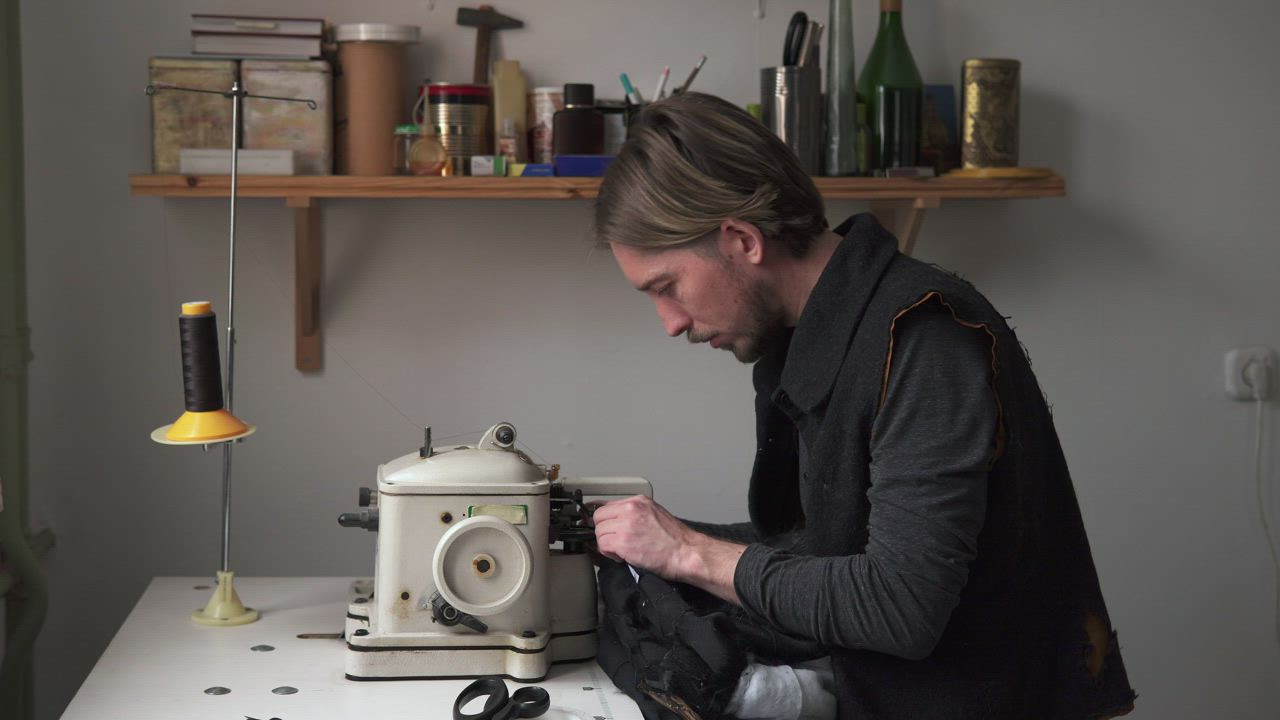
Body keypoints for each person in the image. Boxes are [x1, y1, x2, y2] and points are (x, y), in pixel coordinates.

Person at [589, 92, 1136, 719]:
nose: (670, 322)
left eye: (667, 287)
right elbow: (826, 549)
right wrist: (648, 542)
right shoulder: (810, 338)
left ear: (741, 240)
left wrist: (688, 551)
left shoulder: (922, 337)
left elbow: (898, 606)